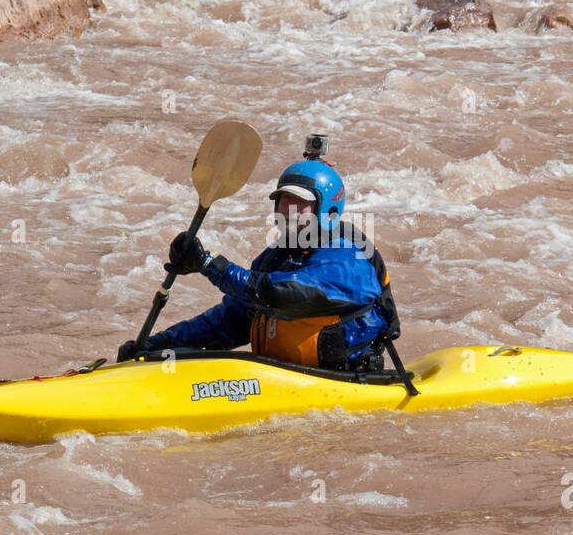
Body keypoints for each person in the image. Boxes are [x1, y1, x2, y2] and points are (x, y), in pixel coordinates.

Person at [117, 153, 399, 371]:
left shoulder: (349, 258)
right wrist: (160, 345)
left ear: (328, 209)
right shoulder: (277, 256)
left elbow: (277, 293)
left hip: (347, 381)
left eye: (299, 202)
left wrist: (208, 264)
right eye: (283, 201)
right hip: (286, 375)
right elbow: (229, 321)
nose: (288, 210)